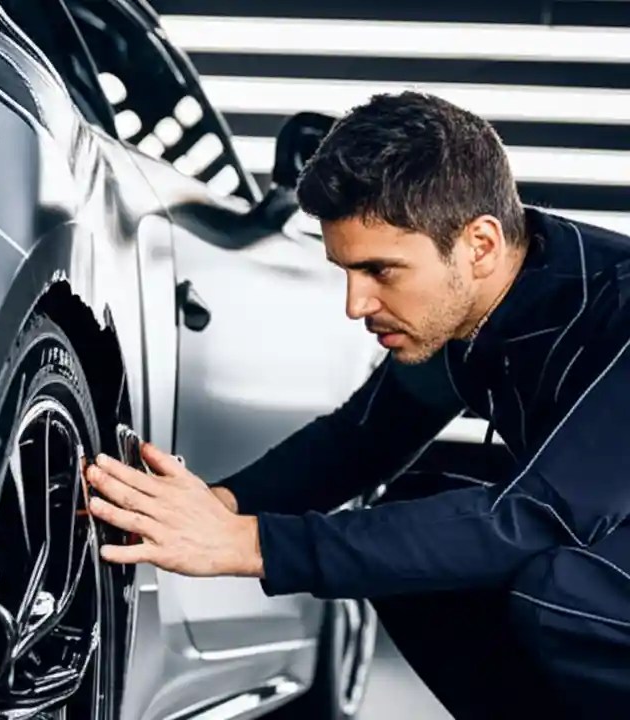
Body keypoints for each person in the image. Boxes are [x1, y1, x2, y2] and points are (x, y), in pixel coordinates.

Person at [83, 90, 630, 719]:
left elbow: (532, 517)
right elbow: (362, 440)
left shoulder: (617, 307)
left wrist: (248, 544)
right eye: (345, 271)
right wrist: (217, 504)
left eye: (381, 271)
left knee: (564, 594)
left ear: (479, 245)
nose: (355, 305)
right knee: (410, 521)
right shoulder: (472, 309)